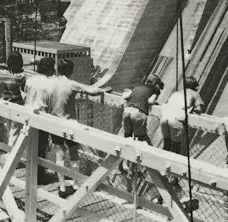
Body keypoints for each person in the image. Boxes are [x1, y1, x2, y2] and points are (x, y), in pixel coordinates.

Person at [47, 58, 107, 198]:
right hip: (70, 124)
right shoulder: (72, 84)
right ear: (71, 71)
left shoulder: (51, 83)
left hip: (54, 122)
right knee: (74, 154)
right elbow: (92, 91)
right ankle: (75, 184)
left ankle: (62, 186)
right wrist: (104, 90)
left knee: (59, 155)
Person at [159, 76, 206, 155]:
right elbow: (199, 109)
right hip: (175, 120)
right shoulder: (195, 94)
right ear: (195, 87)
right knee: (175, 148)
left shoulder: (175, 93)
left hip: (164, 117)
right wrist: (191, 108)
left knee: (166, 145)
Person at [0, 51, 28, 145]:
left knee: (7, 127)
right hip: (17, 104)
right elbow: (23, 89)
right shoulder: (21, 76)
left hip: (5, 103)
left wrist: (4, 65)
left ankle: (6, 147)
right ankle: (10, 150)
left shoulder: (1, 73)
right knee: (15, 129)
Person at [121, 75, 163, 143]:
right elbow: (150, 101)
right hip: (138, 112)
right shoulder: (155, 89)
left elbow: (126, 96)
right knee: (140, 139)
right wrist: (155, 101)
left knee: (127, 136)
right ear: (155, 83)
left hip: (127, 110)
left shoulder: (137, 86)